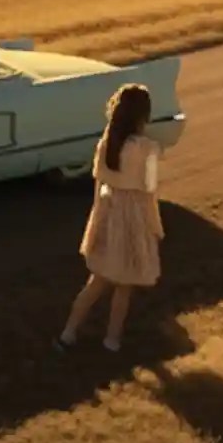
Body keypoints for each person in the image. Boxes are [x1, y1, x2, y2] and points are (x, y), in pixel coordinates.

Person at [55, 83, 164, 353]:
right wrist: (155, 227)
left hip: (107, 215)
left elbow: (98, 189)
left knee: (95, 282)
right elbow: (150, 191)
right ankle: (112, 339)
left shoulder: (106, 144)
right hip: (134, 220)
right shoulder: (148, 149)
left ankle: (68, 333)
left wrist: (95, 227)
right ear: (143, 115)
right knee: (124, 285)